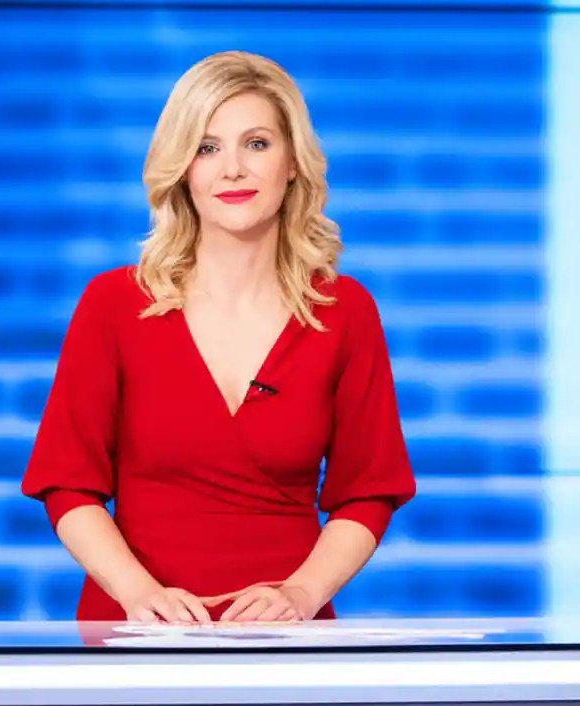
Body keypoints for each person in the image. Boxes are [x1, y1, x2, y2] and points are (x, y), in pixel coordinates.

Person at [21, 51, 416, 625]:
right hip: (136, 635)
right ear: (183, 168)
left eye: (256, 143)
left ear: (292, 164)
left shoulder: (343, 311)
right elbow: (68, 486)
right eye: (208, 148)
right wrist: (138, 595)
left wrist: (302, 595)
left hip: (288, 643)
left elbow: (368, 492)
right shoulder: (112, 304)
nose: (232, 168)